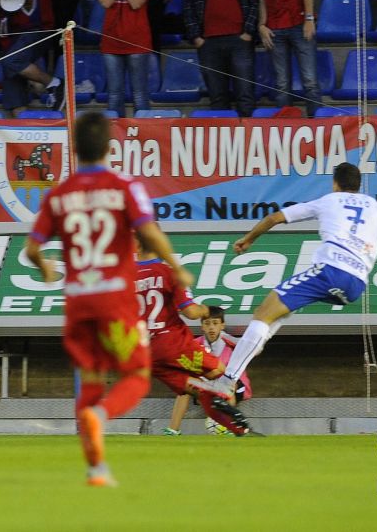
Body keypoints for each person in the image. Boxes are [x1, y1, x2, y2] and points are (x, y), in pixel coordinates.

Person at [192, 162, 377, 403]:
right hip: (356, 285)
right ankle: (255, 344)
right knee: (280, 312)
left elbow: (276, 217)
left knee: (263, 313)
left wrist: (249, 239)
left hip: (330, 271)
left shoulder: (328, 201)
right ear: (358, 186)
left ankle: (227, 381)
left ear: (335, 184)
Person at [25, 111, 193, 487]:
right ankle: (101, 416)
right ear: (108, 147)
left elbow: (32, 249)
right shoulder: (124, 186)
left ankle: (96, 467)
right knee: (135, 374)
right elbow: (147, 230)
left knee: (90, 379)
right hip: (115, 301)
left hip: (78, 304)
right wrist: (176, 266)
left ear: (75, 147)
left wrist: (47, 270)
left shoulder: (59, 195)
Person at [134, 241, 252, 437]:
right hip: (172, 342)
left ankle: (235, 428)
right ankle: (229, 413)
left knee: (196, 389)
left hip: (146, 352)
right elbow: (190, 312)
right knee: (222, 374)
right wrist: (205, 309)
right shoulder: (169, 272)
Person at [166, 305, 253, 436]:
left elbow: (254, 349)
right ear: (202, 326)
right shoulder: (195, 345)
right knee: (184, 387)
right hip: (207, 387)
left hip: (233, 388)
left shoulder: (229, 342)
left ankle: (230, 428)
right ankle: (173, 430)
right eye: (207, 323)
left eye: (215, 323)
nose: (211, 327)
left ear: (222, 325)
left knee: (228, 384)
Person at [99, 0, 152, 117]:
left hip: (137, 42)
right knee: (114, 95)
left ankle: (144, 137)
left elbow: (136, 3)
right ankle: (114, 140)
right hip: (111, 43)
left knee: (139, 95)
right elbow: (106, 1)